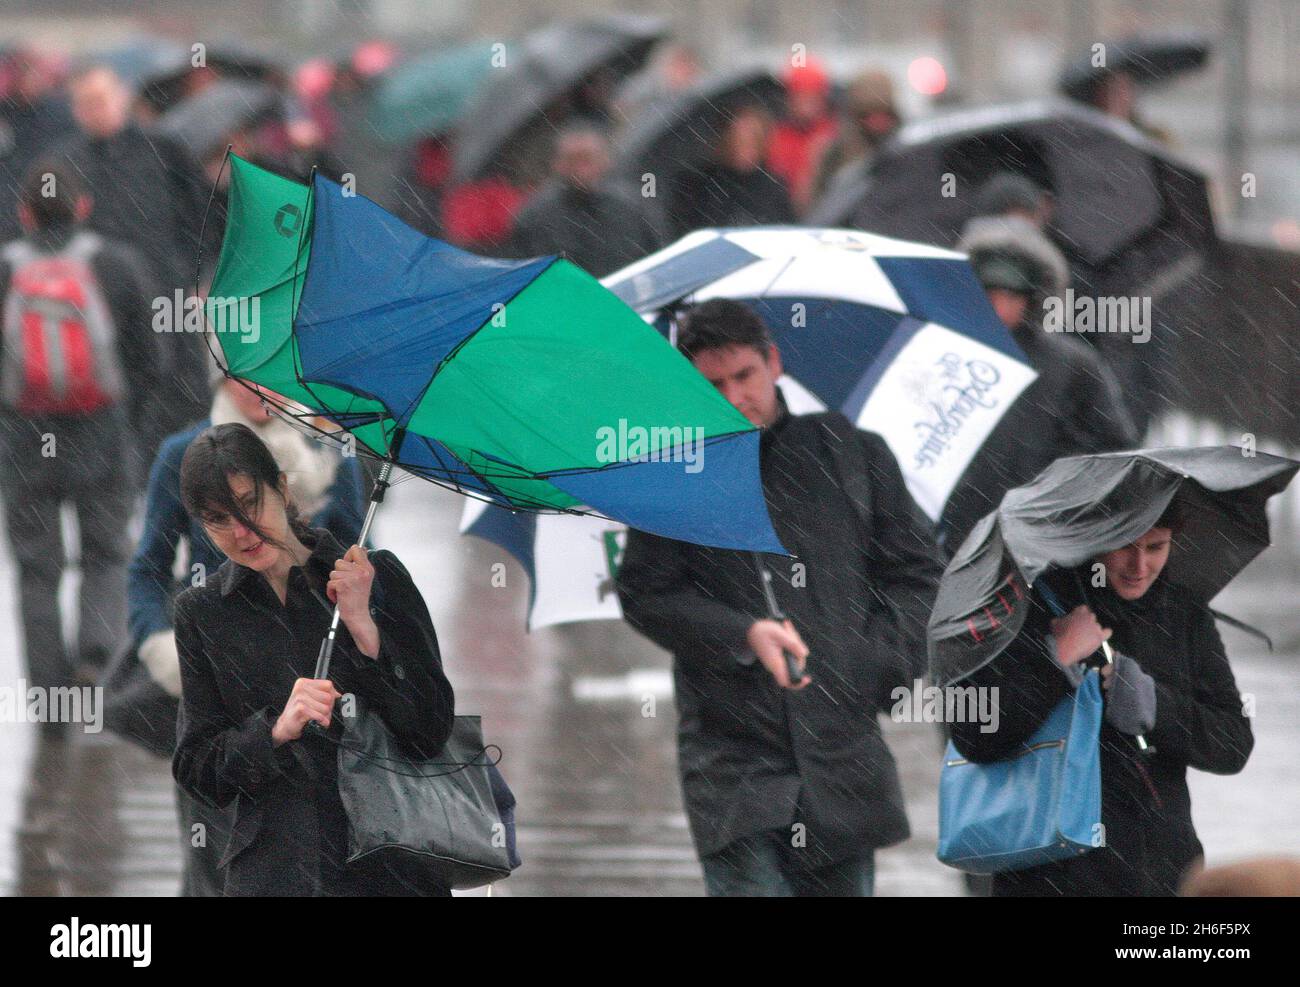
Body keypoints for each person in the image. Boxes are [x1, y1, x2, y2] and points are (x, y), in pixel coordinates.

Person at [615, 299, 944, 896]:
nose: (735, 397)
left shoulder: (851, 453)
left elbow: (921, 574)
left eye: (745, 376)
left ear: (773, 362)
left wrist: (875, 662)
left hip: (843, 753)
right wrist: (743, 636)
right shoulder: (671, 477)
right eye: (713, 384)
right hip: (733, 761)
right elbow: (644, 593)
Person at [171, 422, 455, 896]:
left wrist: (366, 631)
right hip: (275, 875)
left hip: (391, 870)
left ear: (281, 487)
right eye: (219, 518)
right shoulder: (202, 614)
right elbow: (199, 773)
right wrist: (273, 730)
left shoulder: (374, 578)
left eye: (249, 504)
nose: (242, 532)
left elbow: (430, 731)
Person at [124, 373, 365, 895]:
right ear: (220, 377)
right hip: (222, 698)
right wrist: (162, 647)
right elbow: (148, 568)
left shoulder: (328, 452)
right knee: (213, 862)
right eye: (246, 378)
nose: (264, 391)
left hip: (320, 704)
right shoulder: (184, 454)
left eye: (273, 375)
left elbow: (356, 559)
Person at [949, 505, 1254, 896]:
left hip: (1158, 868)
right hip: (1044, 869)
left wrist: (1156, 707)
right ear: (1095, 538)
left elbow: (1233, 745)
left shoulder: (1183, 614)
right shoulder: (1029, 604)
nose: (1139, 565)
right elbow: (975, 737)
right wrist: (1054, 661)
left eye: (1156, 547)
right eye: (1124, 546)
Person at [0, 160, 159, 698]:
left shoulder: (5, 271)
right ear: (84, 207)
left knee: (36, 570)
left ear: (23, 213)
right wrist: (127, 422)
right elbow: (151, 360)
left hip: (23, 439)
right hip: (103, 435)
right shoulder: (115, 264)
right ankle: (97, 659)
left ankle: (48, 695)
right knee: (107, 553)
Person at [938, 215, 1139, 554]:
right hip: (954, 535)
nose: (999, 307)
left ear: (1032, 297)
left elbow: (1113, 450)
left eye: (1010, 294)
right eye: (989, 293)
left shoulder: (1072, 366)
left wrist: (1055, 491)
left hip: (1038, 537)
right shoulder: (943, 357)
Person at [57, 63, 211, 440]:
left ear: (122, 97)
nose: (94, 110)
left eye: (101, 100)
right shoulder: (67, 160)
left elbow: (202, 215)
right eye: (85, 103)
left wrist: (200, 275)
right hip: (104, 298)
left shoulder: (165, 149)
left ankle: (185, 468)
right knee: (120, 390)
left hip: (170, 287)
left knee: (183, 387)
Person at [507, 122, 660, 277]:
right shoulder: (536, 217)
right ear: (557, 164)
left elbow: (656, 256)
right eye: (573, 160)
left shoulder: (630, 205)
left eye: (587, 159)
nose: (580, 169)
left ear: (604, 160)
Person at [666, 100, 795, 239]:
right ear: (726, 139)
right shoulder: (697, 185)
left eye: (753, 139)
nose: (746, 147)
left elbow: (784, 232)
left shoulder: (773, 186)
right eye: (739, 139)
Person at [810, 69, 900, 203]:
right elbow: (819, 204)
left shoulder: (906, 151)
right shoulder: (836, 153)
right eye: (869, 115)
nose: (877, 121)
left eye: (883, 114)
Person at [767, 59, 838, 217]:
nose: (807, 104)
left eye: (813, 96)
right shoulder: (774, 134)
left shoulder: (834, 133)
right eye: (801, 96)